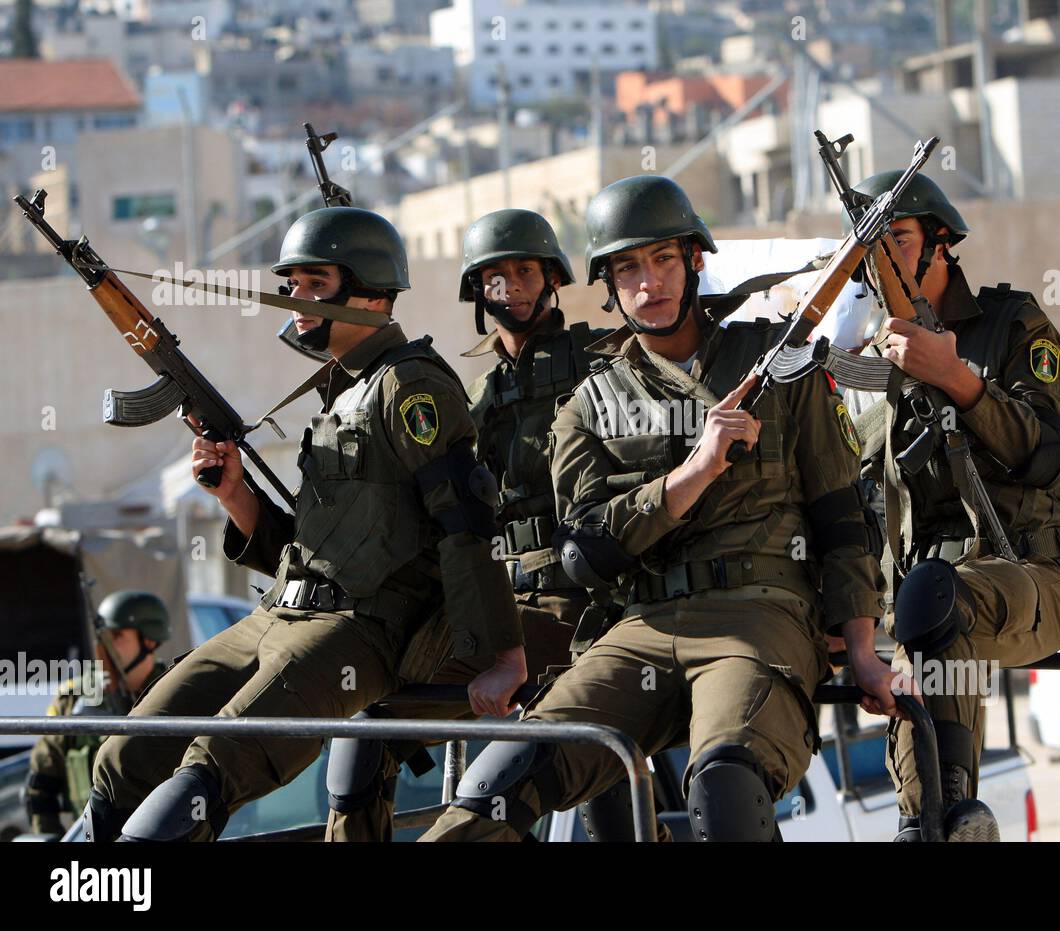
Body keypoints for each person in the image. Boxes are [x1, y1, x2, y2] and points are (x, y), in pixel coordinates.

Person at [425, 174, 892, 843]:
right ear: (608, 285)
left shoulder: (777, 362)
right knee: (495, 784)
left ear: (695, 260)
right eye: (628, 268)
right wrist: (694, 472)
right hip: (638, 625)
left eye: (664, 260)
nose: (650, 283)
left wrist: (865, 647)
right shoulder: (588, 401)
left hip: (758, 617)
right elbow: (583, 549)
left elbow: (843, 517)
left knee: (726, 783)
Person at [81, 206, 525, 842]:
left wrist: (503, 655)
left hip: (358, 631)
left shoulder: (411, 387)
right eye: (290, 283)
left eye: (316, 283)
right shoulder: (341, 392)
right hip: (277, 615)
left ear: (370, 291)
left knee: (210, 771)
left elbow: (466, 524)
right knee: (124, 759)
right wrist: (236, 496)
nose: (294, 298)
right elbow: (314, 550)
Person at [324, 209, 628, 841]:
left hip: (588, 603)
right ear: (476, 291)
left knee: (588, 778)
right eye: (495, 276)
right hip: (502, 603)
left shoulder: (604, 362)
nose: (511, 286)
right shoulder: (477, 394)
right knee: (368, 719)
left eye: (525, 271)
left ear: (552, 279)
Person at [848, 169, 1060, 841]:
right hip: (924, 607)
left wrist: (957, 379)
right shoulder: (868, 361)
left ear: (939, 243)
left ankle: (949, 811)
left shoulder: (1010, 323)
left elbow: (1049, 453)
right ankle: (930, 825)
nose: (882, 260)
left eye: (896, 240)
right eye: (869, 248)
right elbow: (850, 498)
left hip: (1033, 576)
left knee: (933, 600)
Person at [24, 591, 169, 836]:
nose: (104, 645)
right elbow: (40, 786)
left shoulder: (177, 694)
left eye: (118, 635)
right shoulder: (75, 701)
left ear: (150, 641)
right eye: (102, 636)